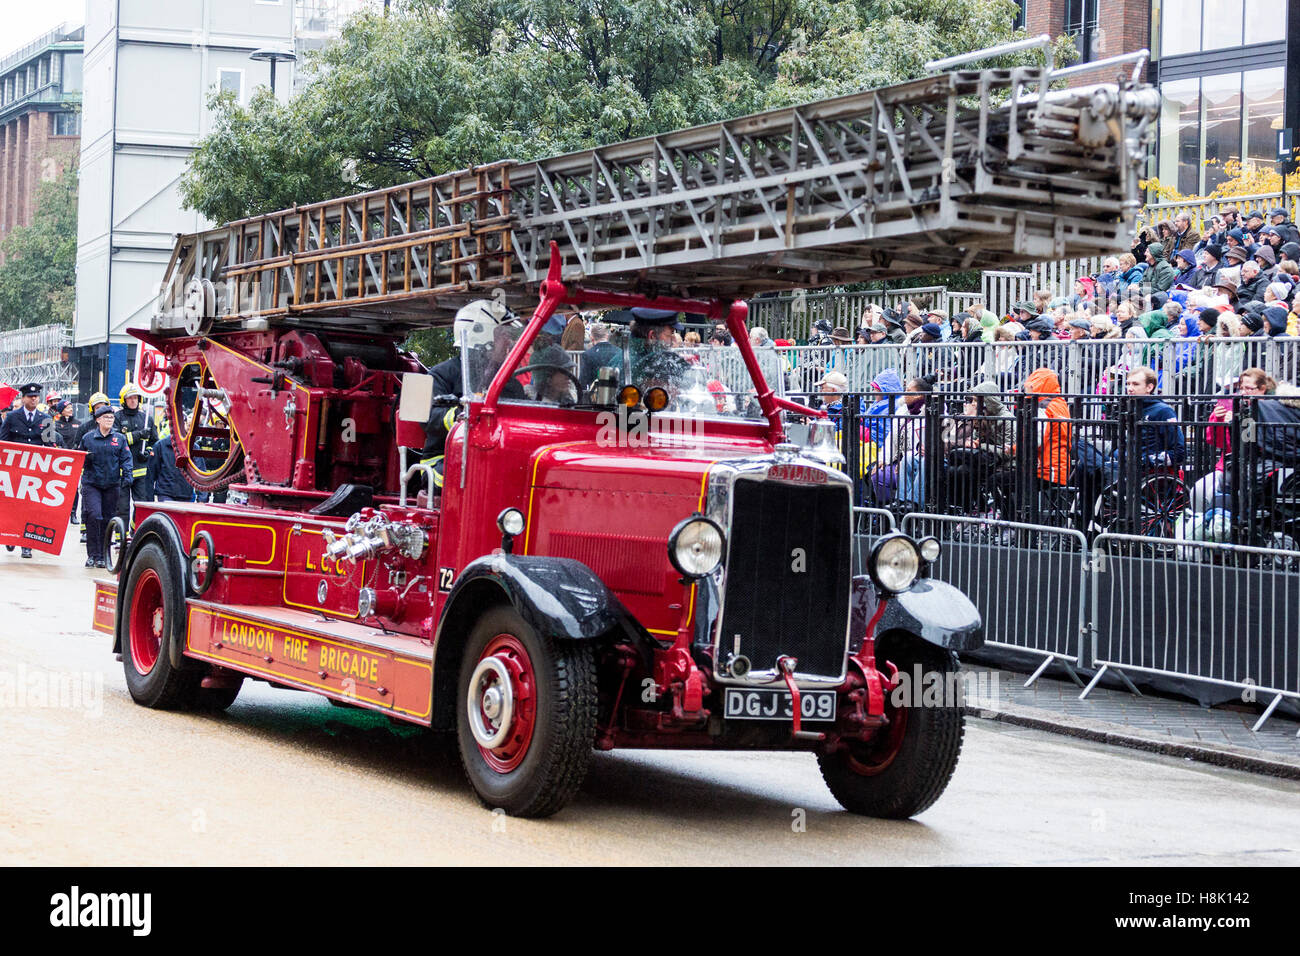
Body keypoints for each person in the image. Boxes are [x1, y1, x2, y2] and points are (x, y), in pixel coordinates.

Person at [0, 383, 57, 558]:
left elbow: (51, 445)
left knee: (31, 508)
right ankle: (11, 537)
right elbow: (3, 442)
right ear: (23, 398)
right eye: (30, 397)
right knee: (13, 505)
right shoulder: (12, 417)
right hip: (15, 470)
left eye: (36, 397)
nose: (34, 399)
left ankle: (26, 545)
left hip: (36, 472)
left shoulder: (45, 418)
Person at [80, 402, 133, 568]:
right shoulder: (88, 438)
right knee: (94, 516)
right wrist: (84, 461)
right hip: (92, 484)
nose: (110, 420)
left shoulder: (119, 439)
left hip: (111, 485)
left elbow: (126, 459)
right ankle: (92, 554)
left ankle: (103, 555)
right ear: (98, 420)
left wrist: (127, 475)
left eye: (111, 417)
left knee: (107, 519)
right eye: (106, 417)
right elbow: (79, 458)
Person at [114, 383, 157, 525]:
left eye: (136, 398)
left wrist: (148, 451)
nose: (133, 400)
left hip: (141, 471)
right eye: (130, 398)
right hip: (122, 472)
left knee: (142, 505)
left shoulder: (147, 419)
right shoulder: (117, 418)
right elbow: (117, 440)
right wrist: (138, 435)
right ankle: (121, 537)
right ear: (123, 400)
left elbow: (154, 442)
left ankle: (135, 531)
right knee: (122, 507)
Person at [147, 425, 196, 503]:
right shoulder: (160, 446)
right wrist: (149, 499)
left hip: (186, 495)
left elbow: (201, 472)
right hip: (165, 494)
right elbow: (151, 474)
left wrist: (202, 499)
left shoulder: (194, 448)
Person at [578, 321, 622, 392]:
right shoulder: (619, 351)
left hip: (596, 395)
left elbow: (583, 380)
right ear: (607, 336)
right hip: (616, 392)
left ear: (592, 338)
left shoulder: (588, 354)